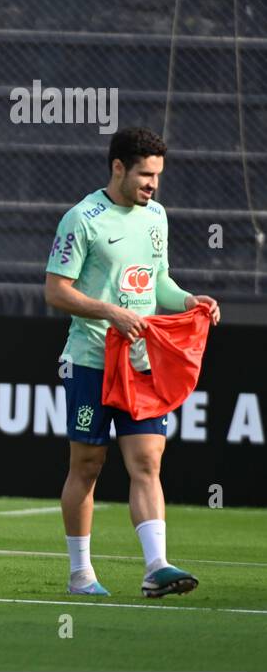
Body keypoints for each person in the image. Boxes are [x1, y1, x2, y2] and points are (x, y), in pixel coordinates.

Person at [44, 127, 219, 598]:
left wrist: (188, 300)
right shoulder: (82, 219)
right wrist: (110, 312)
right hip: (90, 362)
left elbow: (158, 281)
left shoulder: (156, 216)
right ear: (118, 167)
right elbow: (56, 289)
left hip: (140, 362)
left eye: (157, 175)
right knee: (87, 465)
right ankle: (81, 574)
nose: (153, 184)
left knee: (147, 461)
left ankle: (155, 566)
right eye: (145, 174)